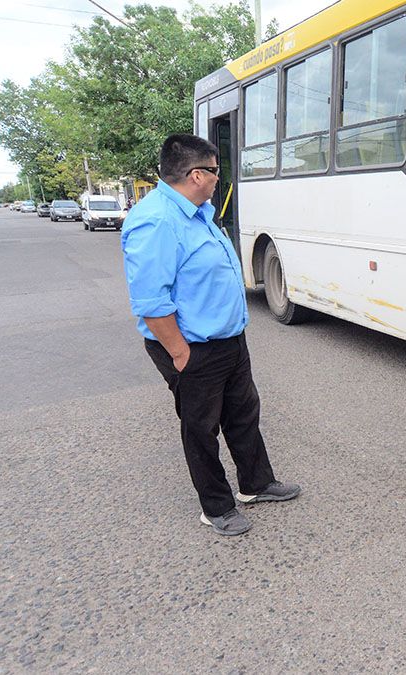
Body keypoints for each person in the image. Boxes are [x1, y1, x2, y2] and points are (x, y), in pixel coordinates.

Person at [122, 133, 300, 536]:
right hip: (192, 347)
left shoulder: (198, 210)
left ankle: (255, 484)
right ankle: (216, 507)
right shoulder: (156, 221)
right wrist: (180, 354)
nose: (220, 179)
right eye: (216, 172)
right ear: (197, 174)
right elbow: (151, 301)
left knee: (242, 413)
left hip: (228, 340)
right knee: (201, 429)